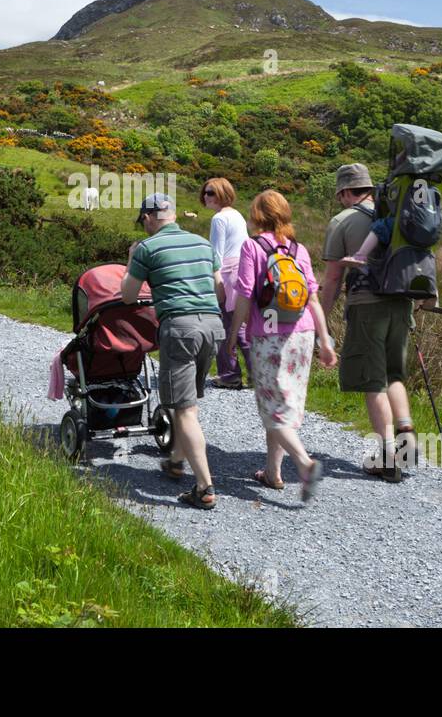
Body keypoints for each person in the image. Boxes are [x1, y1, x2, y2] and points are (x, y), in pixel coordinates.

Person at [227, 190, 336, 502]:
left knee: (273, 409)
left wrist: (234, 335)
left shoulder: (253, 246)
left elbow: (246, 295)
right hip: (301, 335)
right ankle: (273, 473)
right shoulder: (298, 249)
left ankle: (304, 464)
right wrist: (325, 341)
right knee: (284, 405)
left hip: (269, 336)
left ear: (256, 215)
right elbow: (313, 297)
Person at [120, 192, 226, 509]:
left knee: (184, 409)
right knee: (188, 402)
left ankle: (204, 488)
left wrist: (131, 258)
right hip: (212, 326)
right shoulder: (203, 244)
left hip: (179, 328)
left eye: (144, 222)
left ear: (150, 218)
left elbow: (126, 296)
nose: (145, 227)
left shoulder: (147, 248)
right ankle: (177, 460)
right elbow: (220, 289)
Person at [318, 163, 419, 482]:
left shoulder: (342, 221)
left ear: (346, 192)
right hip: (401, 304)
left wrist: (322, 319)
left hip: (367, 305)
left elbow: (333, 278)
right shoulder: (400, 217)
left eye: (340, 195)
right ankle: (406, 433)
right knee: (394, 373)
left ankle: (388, 457)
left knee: (372, 380)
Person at [202, 177, 251, 388]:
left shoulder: (219, 219)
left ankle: (229, 374)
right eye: (205, 192)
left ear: (223, 193)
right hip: (241, 273)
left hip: (226, 275)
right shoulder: (237, 215)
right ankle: (257, 373)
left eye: (211, 192)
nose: (206, 196)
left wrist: (214, 283)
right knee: (240, 325)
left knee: (223, 326)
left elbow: (216, 255)